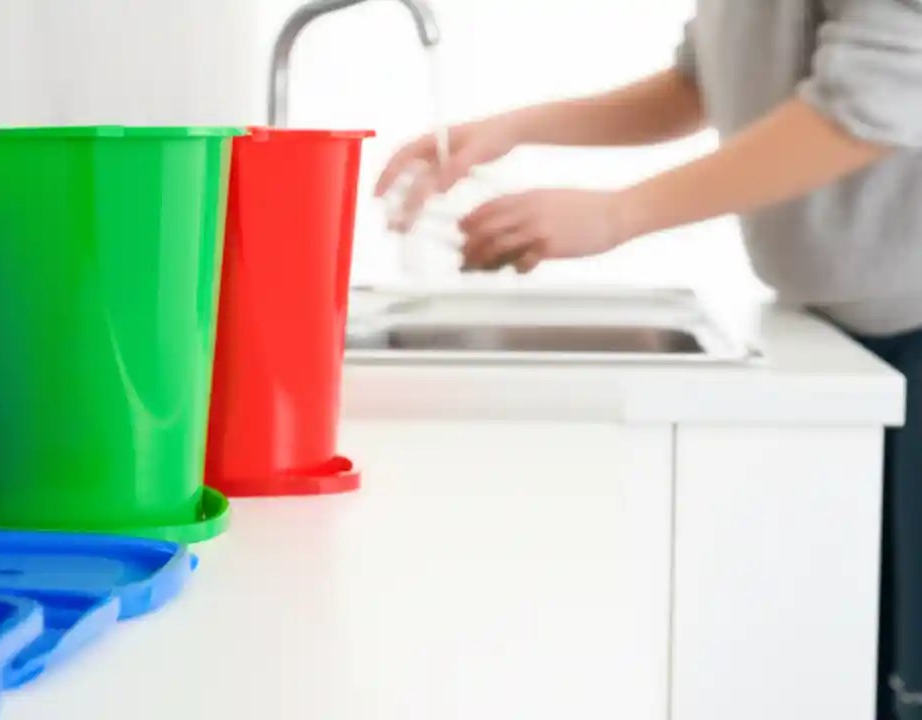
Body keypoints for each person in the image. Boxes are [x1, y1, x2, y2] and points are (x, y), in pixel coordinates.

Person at [375, 2, 922, 719]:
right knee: (870, 665)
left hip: (908, 323)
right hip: (854, 321)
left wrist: (618, 213)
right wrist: (518, 128)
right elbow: (701, 83)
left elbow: (880, 98)